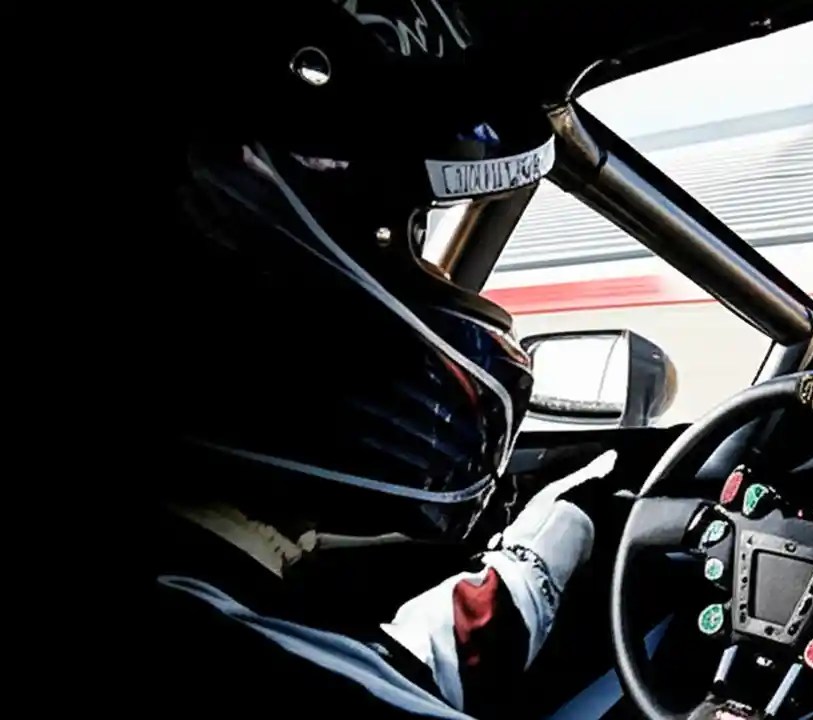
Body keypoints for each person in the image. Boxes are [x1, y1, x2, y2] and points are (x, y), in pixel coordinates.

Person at [128, 0, 619, 717]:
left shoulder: (215, 591)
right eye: (408, 244)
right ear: (276, 279)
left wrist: (550, 545)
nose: (447, 287)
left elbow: (392, 668)